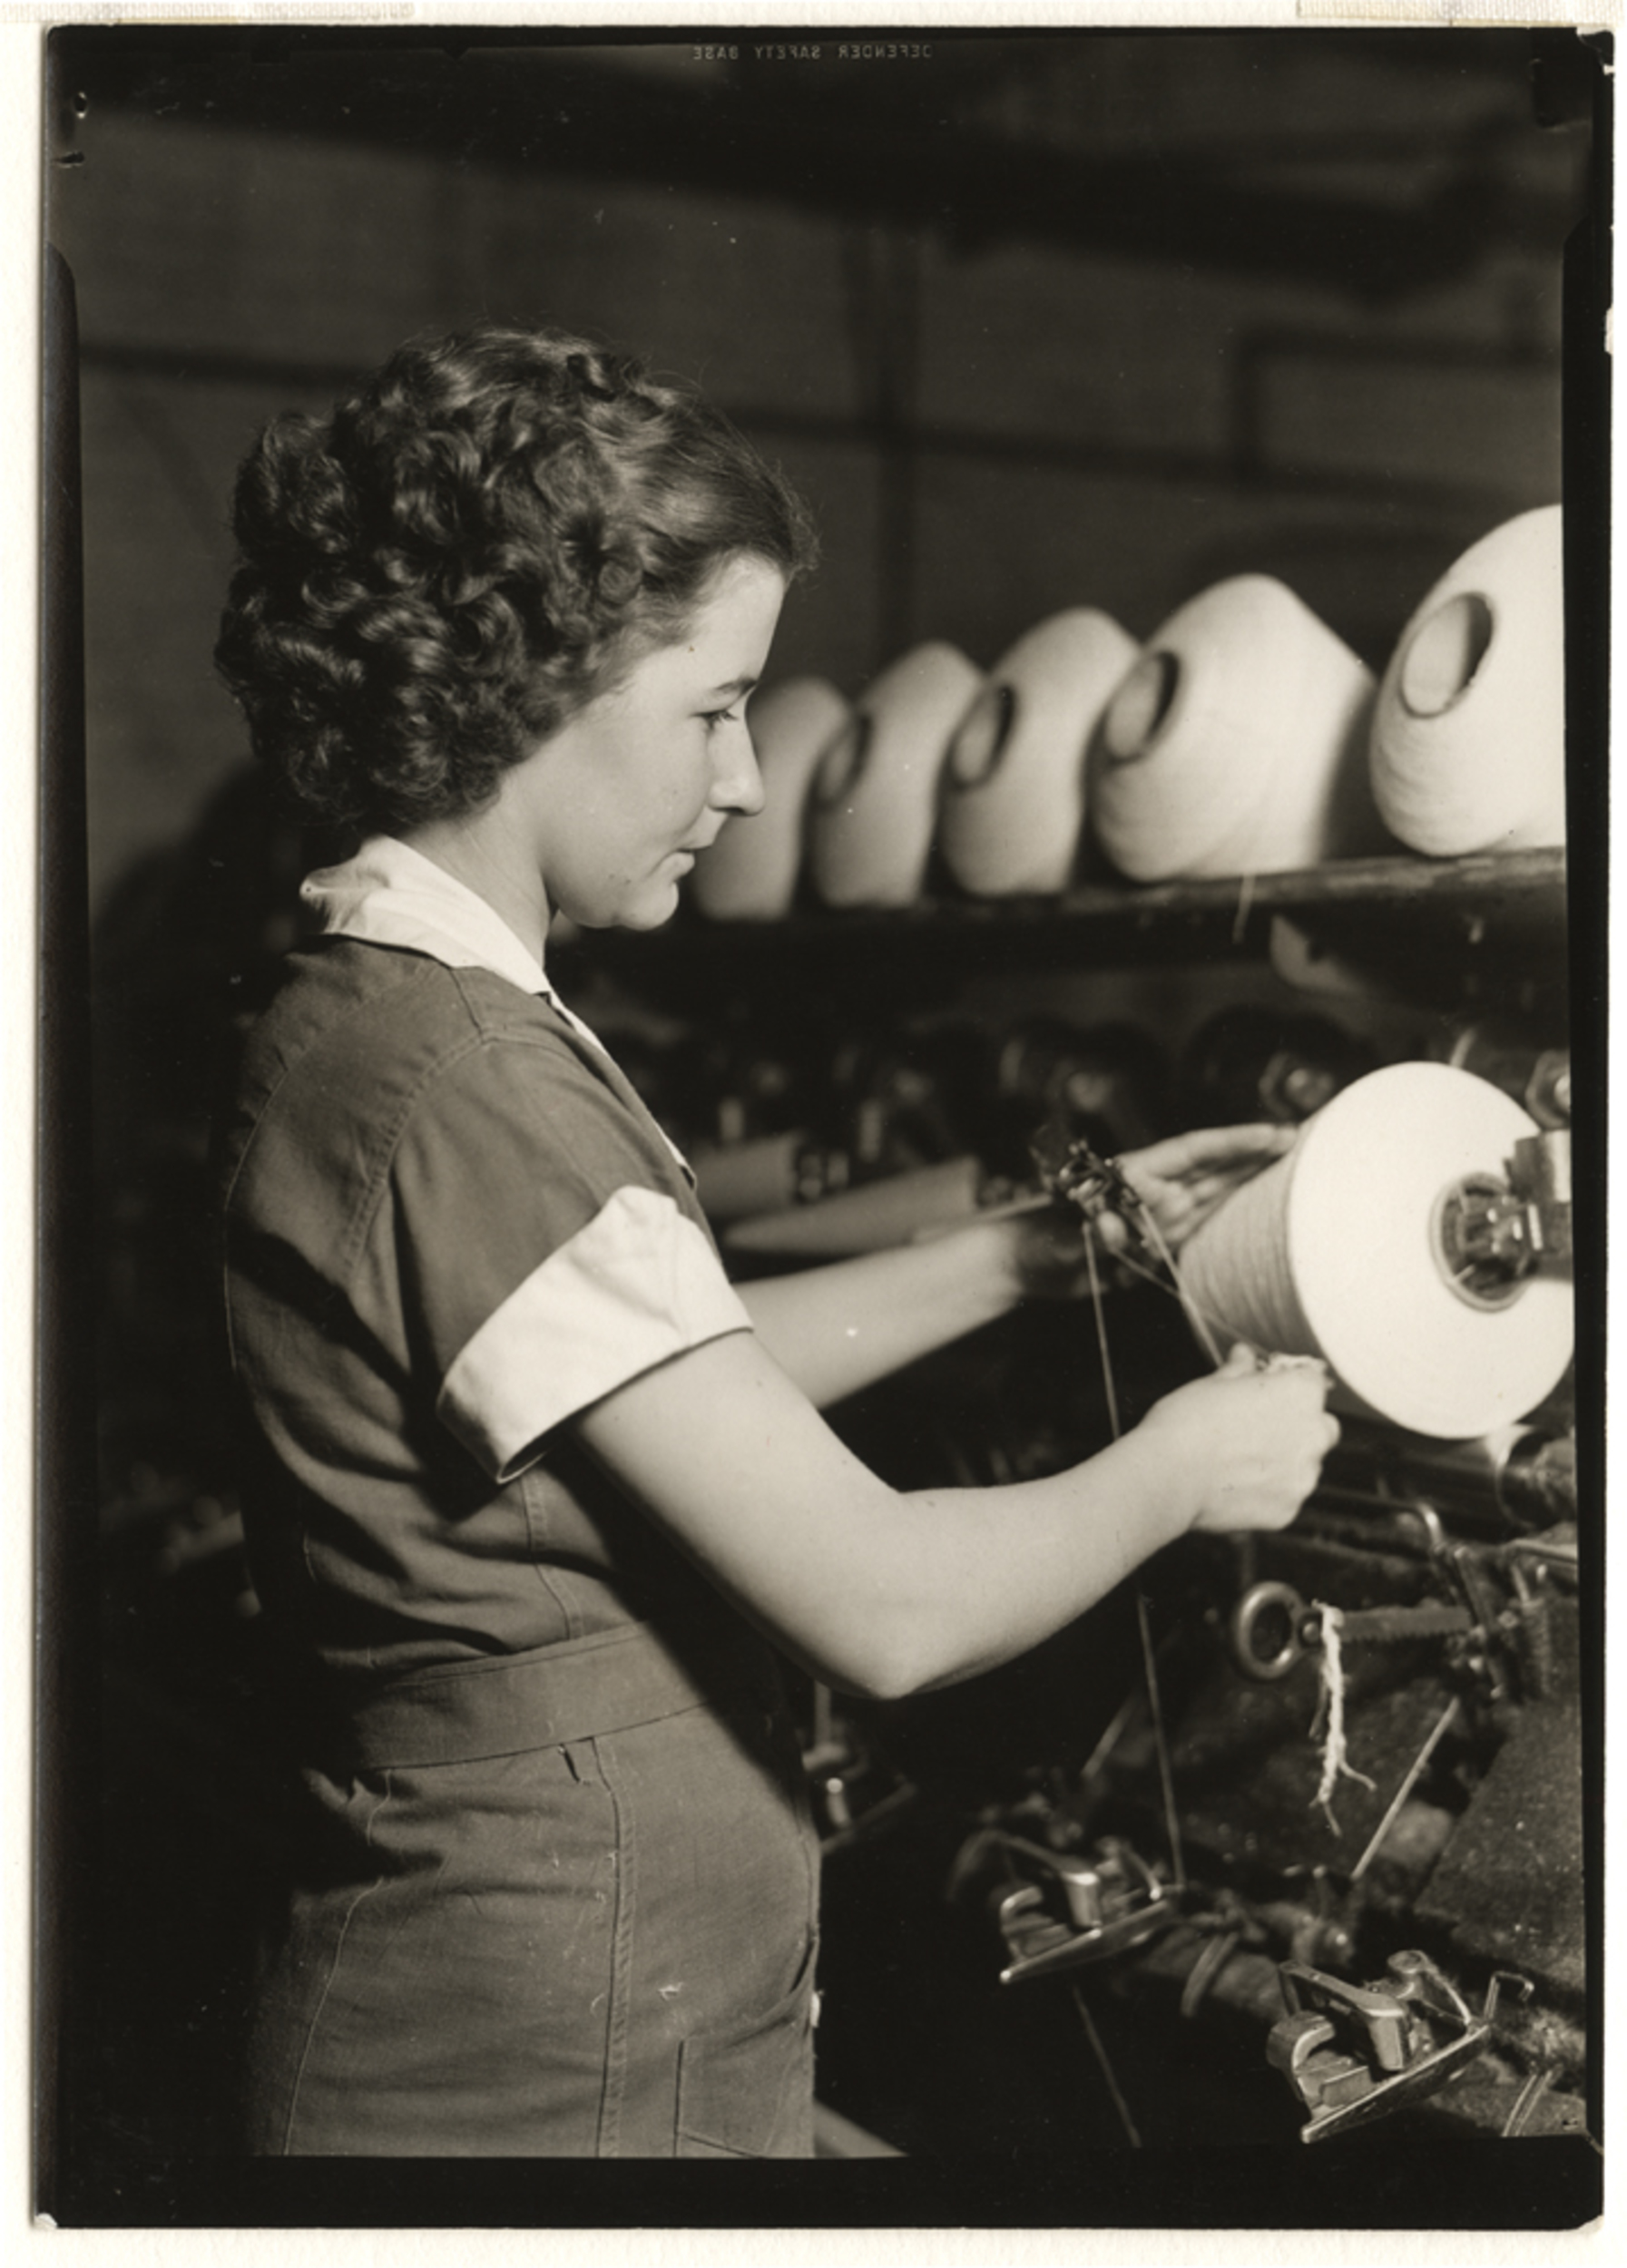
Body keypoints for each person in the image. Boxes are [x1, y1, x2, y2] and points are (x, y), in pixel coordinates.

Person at [212, 320, 1338, 2159]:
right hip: (527, 2084)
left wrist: (1048, 1247)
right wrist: (1182, 1468)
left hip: (544, 2036)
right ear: (528, 690)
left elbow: (669, 1375)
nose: (744, 779)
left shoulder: (388, 1018)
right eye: (713, 708)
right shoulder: (464, 1082)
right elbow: (884, 1604)